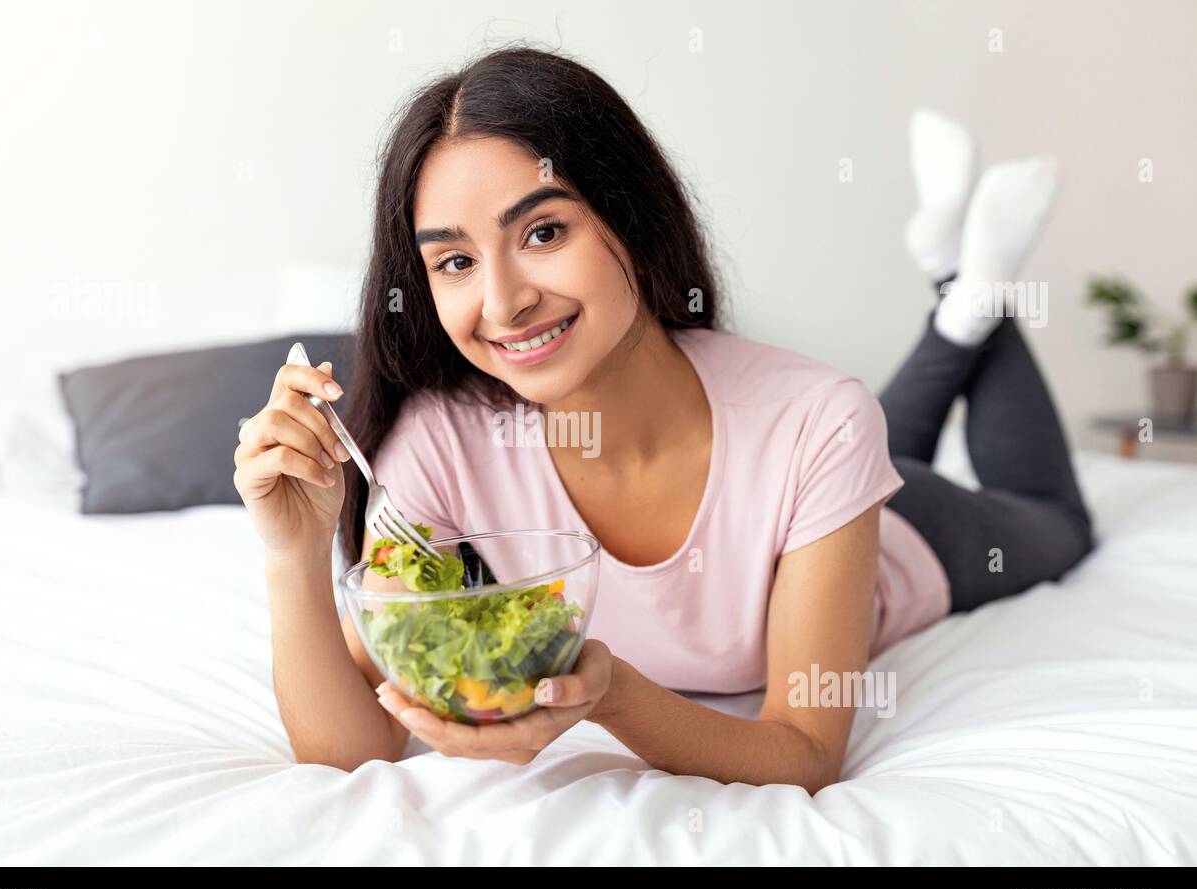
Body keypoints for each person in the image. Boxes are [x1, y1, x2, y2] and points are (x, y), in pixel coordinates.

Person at [232, 46, 1095, 790]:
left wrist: (615, 699)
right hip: (825, 472)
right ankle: (955, 279)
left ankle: (968, 291)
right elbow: (351, 750)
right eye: (455, 260)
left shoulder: (817, 422)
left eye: (542, 233)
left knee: (1057, 519)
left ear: (632, 219)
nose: (504, 302)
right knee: (877, 428)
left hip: (910, 533)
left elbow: (801, 750)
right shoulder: (440, 442)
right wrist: (292, 554)